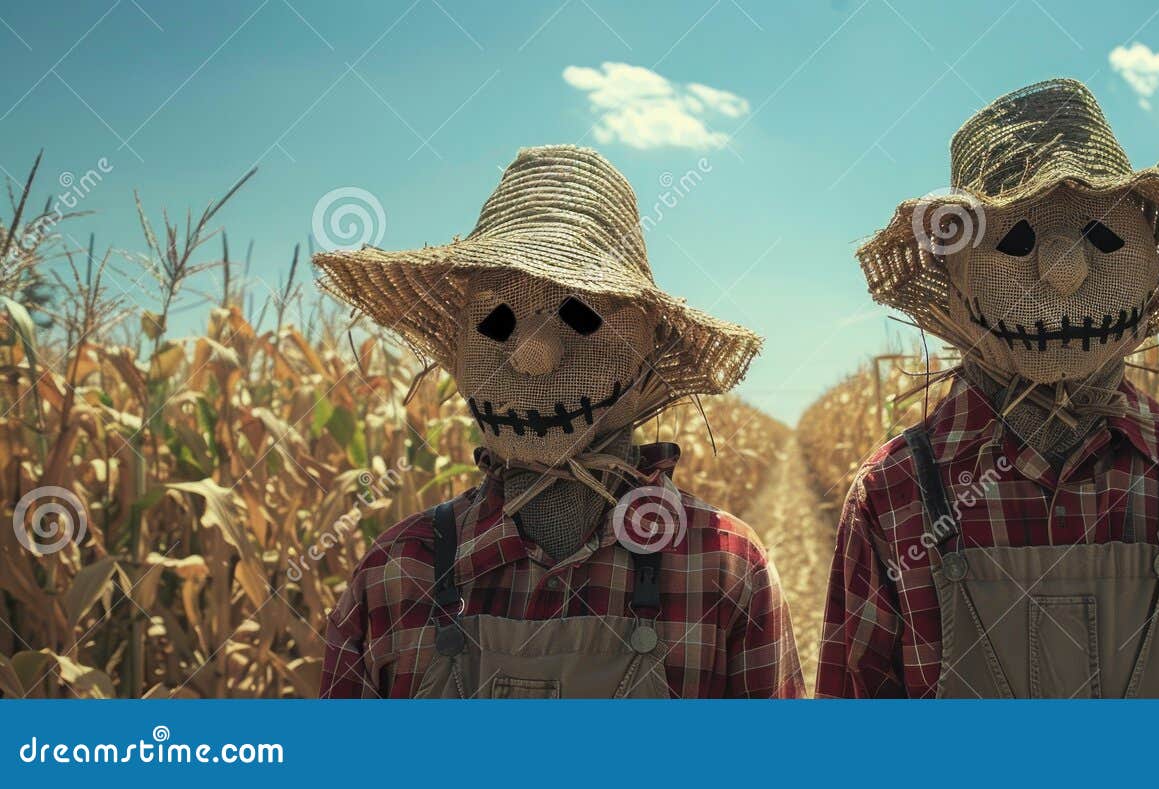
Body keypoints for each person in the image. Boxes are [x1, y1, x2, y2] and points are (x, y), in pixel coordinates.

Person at [817, 80, 1159, 698]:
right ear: (955, 282)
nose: (1064, 273)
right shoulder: (892, 495)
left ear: (1147, 263)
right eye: (1016, 241)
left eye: (1102, 237)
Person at [316, 145, 803, 698]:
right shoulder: (393, 575)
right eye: (497, 322)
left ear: (646, 350)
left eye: (581, 316)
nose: (532, 355)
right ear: (457, 351)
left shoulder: (726, 570)